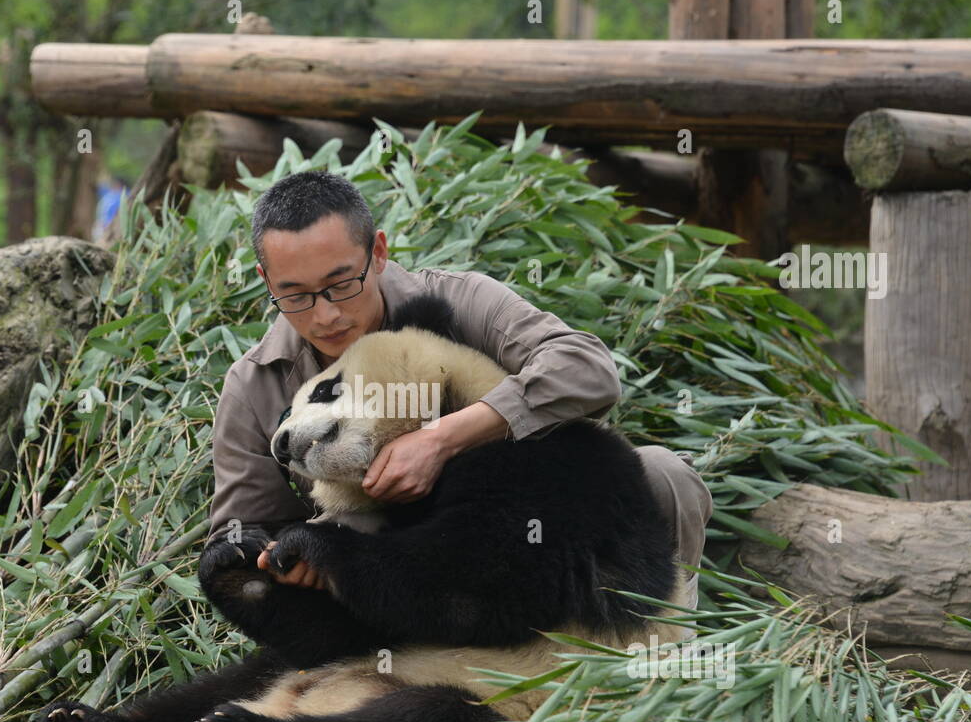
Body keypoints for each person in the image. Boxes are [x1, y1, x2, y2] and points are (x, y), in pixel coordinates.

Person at [205, 170, 712, 605]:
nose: (326, 314)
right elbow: (239, 533)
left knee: (664, 475)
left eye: (342, 284)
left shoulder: (461, 299)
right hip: (409, 570)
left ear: (378, 252)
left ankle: (662, 643)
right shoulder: (253, 384)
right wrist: (284, 558)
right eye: (294, 296)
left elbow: (588, 369)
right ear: (267, 283)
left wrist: (441, 439)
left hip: (524, 514)